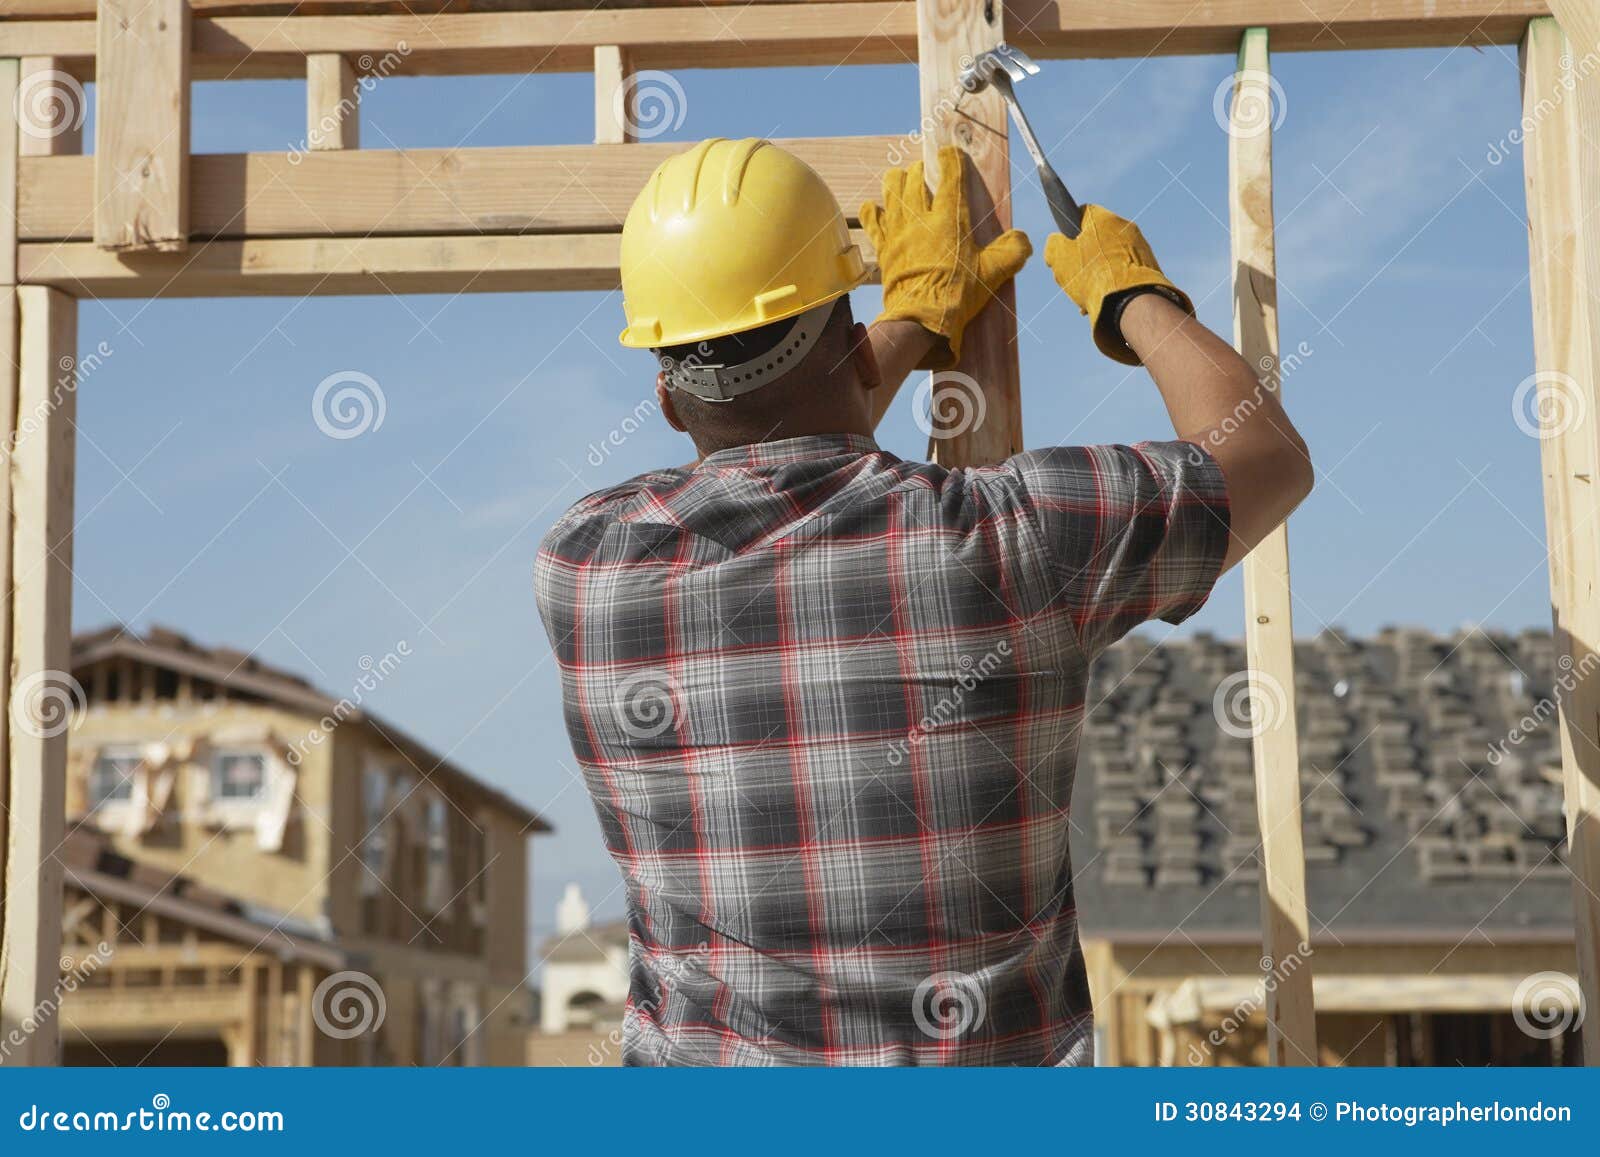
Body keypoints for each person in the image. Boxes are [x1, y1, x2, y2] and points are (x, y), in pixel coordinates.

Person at [535, 137, 1312, 1065]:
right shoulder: (1022, 534)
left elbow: (778, 454)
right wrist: (1132, 296)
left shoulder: (588, 567)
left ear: (666, 398)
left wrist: (904, 324)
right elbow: (1263, 456)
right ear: (847, 336)